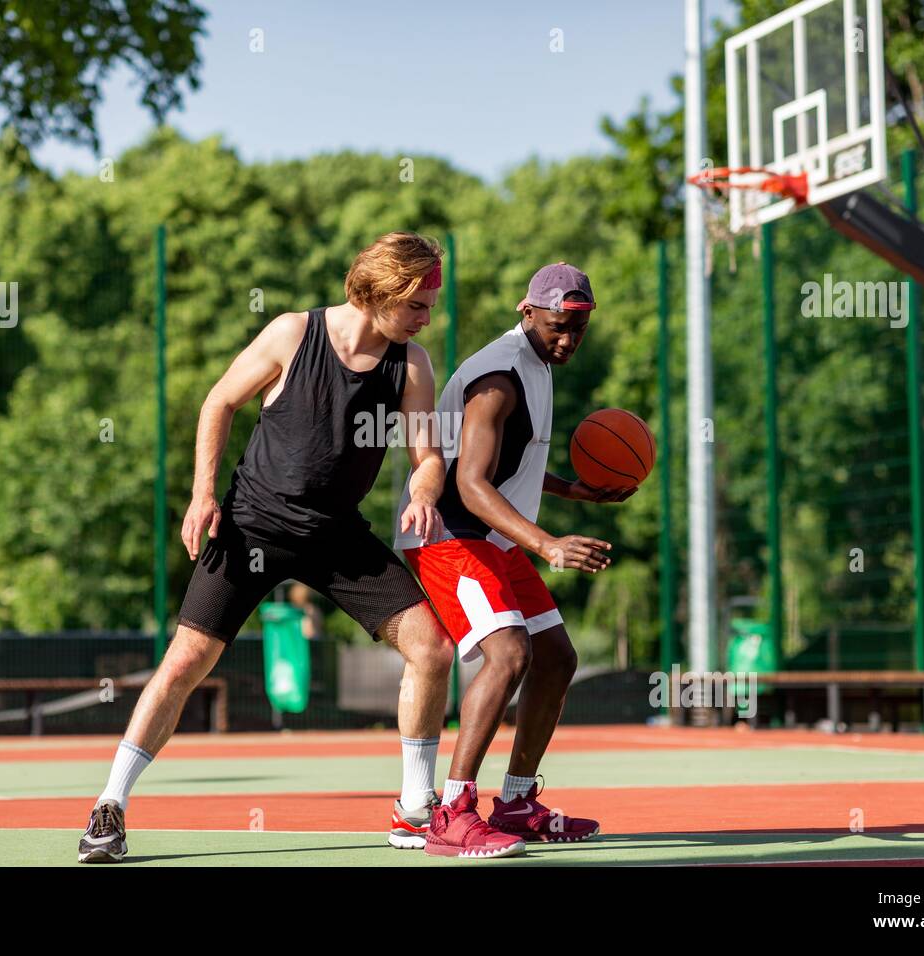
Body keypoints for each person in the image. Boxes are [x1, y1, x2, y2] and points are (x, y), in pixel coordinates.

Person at [79, 232, 456, 862]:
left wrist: (423, 489)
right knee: (183, 663)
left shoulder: (411, 364)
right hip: (251, 526)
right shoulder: (292, 334)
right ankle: (109, 807)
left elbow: (427, 455)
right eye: (418, 305)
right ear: (382, 292)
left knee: (433, 648)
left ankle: (415, 809)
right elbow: (219, 401)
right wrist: (203, 495)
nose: (426, 317)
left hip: (336, 538)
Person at [394, 262, 634, 858]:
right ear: (527, 312)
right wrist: (547, 542)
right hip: (449, 534)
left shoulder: (538, 363)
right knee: (508, 653)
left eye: (578, 329)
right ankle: (449, 812)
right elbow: (471, 482)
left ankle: (520, 802)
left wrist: (572, 490)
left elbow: (511, 466)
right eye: (557, 326)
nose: (567, 340)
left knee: (555, 656)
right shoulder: (498, 378)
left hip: (493, 537)